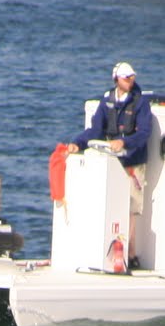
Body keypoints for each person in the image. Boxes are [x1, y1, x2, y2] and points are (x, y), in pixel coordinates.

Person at [66, 61, 154, 267]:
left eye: (132, 77)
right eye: (126, 77)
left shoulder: (140, 103)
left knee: (132, 208)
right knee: (112, 203)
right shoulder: (107, 101)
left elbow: (144, 133)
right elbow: (95, 130)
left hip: (133, 162)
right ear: (116, 79)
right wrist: (78, 143)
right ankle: (110, 249)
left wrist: (125, 142)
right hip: (113, 162)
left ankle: (130, 253)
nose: (130, 80)